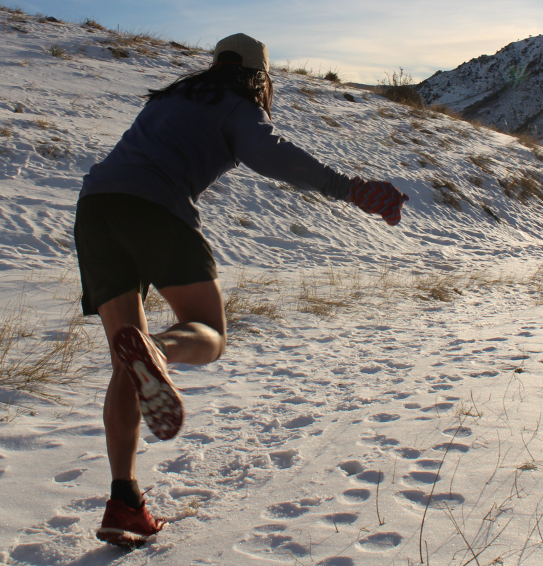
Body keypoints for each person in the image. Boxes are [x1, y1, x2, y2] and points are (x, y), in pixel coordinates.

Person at [73, 33, 408, 548]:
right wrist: (351, 188)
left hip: (96, 207)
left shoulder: (171, 97)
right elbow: (271, 154)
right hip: (153, 208)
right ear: (260, 74)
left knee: (125, 360)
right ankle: (159, 350)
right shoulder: (237, 104)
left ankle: (125, 501)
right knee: (208, 334)